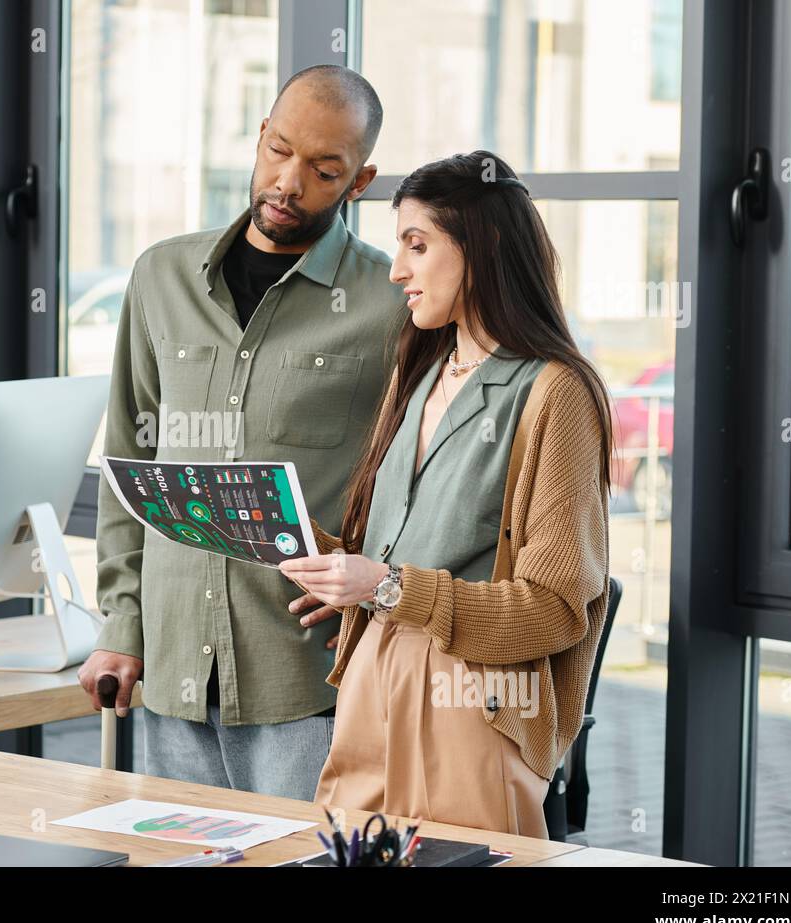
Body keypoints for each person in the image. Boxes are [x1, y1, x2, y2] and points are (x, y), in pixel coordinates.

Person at [78, 65, 409, 800]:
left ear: (360, 181)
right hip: (170, 667)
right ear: (261, 136)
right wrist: (121, 625)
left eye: (325, 170)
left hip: (304, 673)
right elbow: (129, 460)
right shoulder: (160, 277)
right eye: (280, 151)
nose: (289, 182)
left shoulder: (390, 305)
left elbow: (417, 475)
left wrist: (380, 578)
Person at [279, 150, 612, 837]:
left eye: (417, 245)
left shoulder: (556, 394)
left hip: (471, 703)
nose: (397, 269)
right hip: (371, 684)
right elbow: (396, 559)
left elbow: (553, 610)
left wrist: (389, 586)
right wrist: (322, 556)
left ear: (482, 248)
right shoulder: (419, 373)